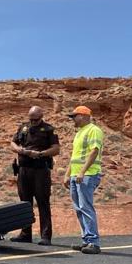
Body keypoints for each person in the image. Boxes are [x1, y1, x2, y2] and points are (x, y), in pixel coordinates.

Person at [9, 106, 60, 245]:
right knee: (25, 202)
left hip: (40, 170)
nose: (33, 122)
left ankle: (45, 236)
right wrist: (21, 150)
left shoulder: (49, 129)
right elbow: (13, 143)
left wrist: (41, 154)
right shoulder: (23, 127)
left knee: (42, 202)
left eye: (35, 120)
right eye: (30, 119)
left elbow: (56, 149)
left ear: (41, 117)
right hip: (24, 169)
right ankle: (25, 234)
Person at [63, 106, 105, 254]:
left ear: (83, 116)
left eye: (74, 116)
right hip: (76, 176)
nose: (72, 119)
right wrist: (68, 174)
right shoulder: (79, 133)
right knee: (79, 209)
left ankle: (94, 242)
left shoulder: (94, 130)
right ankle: (86, 240)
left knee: (86, 207)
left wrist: (82, 172)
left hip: (87, 175)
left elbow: (94, 151)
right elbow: (75, 157)